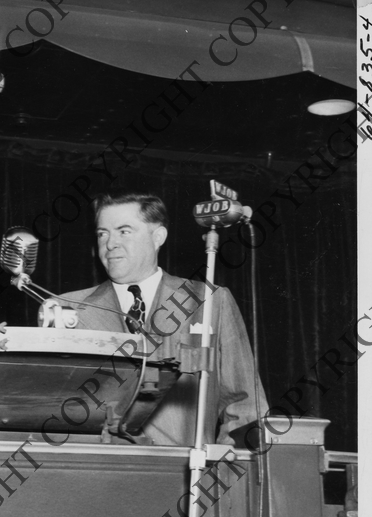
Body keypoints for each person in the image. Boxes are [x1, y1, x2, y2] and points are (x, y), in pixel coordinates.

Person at [57, 190, 266, 446]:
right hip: (97, 474)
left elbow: (244, 405)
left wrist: (220, 469)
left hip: (187, 477)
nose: (110, 243)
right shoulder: (66, 309)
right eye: (103, 233)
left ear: (158, 236)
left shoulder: (210, 300)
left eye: (124, 231)